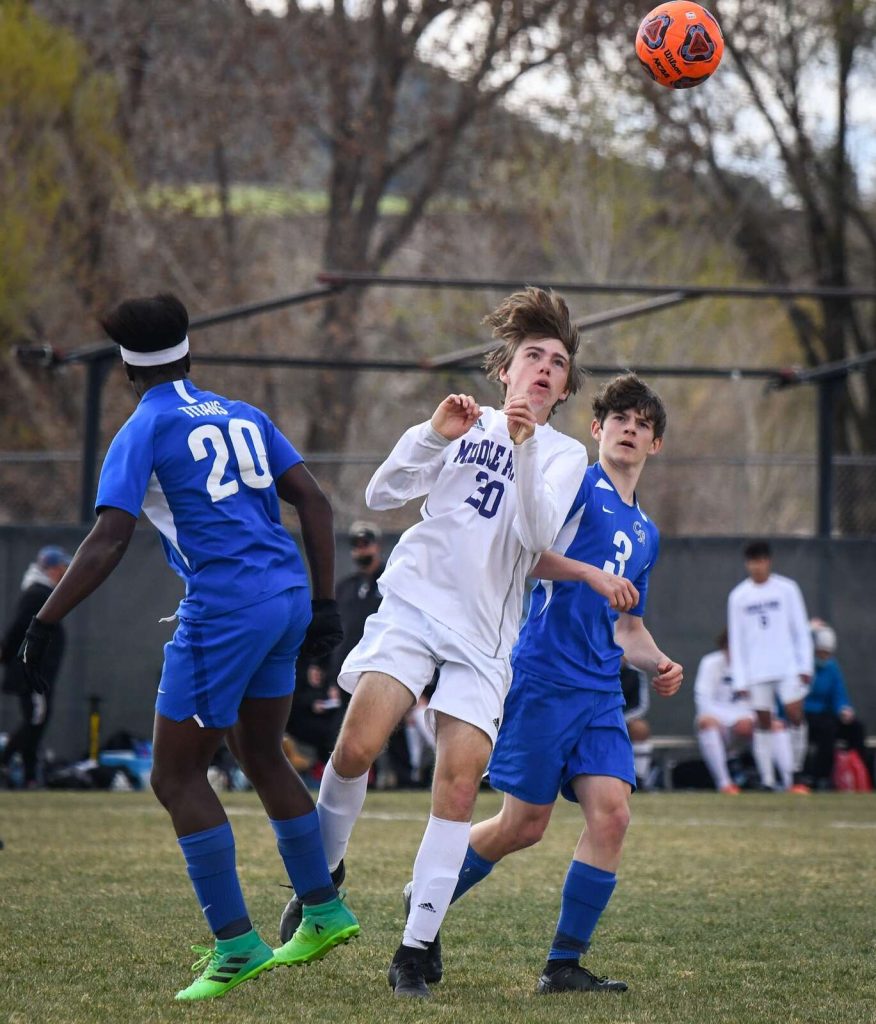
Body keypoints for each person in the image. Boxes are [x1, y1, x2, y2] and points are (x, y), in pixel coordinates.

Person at [15, 293, 358, 1001]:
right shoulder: (245, 414)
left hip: (225, 611)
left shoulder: (143, 427)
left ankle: (236, 944)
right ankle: (322, 909)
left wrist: (42, 621)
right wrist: (325, 604)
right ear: (189, 353)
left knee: (174, 778)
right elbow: (316, 504)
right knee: (259, 752)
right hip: (286, 597)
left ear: (127, 371)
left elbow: (108, 539)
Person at [279, 286, 589, 998]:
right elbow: (384, 496)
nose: (544, 367)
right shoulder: (465, 422)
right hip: (415, 606)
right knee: (356, 745)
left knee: (456, 781)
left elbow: (538, 535)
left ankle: (417, 944)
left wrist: (524, 446)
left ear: (565, 387)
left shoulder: (566, 454)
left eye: (558, 362)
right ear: (505, 368)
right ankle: (321, 883)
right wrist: (431, 433)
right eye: (532, 355)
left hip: (484, 635)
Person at [432, 373, 683, 996]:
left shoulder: (646, 533)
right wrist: (591, 574)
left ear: (654, 445)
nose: (629, 429)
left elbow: (627, 627)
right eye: (618, 419)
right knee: (523, 825)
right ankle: (428, 892)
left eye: (642, 424)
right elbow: (524, 552)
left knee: (613, 815)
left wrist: (657, 662)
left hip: (599, 689)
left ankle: (563, 965)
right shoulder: (574, 483)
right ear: (596, 429)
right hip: (543, 674)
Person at [727, 541, 813, 792]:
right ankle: (767, 779)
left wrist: (804, 665)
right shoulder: (739, 596)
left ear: (768, 561)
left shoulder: (787, 589)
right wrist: (740, 679)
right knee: (763, 721)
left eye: (760, 560)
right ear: (747, 564)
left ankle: (797, 772)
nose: (756, 566)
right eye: (752, 561)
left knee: (795, 714)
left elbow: (800, 629)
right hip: (756, 670)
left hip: (787, 666)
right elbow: (737, 638)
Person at [0, 546, 71, 788]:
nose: (65, 572)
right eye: (63, 568)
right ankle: (6, 762)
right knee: (35, 720)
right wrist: (7, 653)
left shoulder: (43, 593)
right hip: (30, 673)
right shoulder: (37, 594)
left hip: (38, 674)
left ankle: (30, 777)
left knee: (36, 721)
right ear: (50, 569)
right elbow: (20, 628)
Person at [693, 629, 795, 792]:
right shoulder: (710, 663)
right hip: (723, 729)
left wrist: (750, 719)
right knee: (705, 722)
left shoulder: (759, 666)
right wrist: (733, 721)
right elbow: (703, 701)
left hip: (753, 728)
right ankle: (725, 784)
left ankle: (790, 783)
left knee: (777, 725)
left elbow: (768, 704)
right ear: (724, 646)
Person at [803, 623, 870, 790]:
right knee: (828, 729)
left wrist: (844, 709)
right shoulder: (803, 666)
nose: (824, 657)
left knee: (856, 727)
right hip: (807, 716)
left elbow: (839, 694)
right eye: (821, 653)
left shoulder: (832, 667)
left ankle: (860, 775)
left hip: (827, 715)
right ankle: (821, 777)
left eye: (827, 654)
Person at [619, 658, 653, 790]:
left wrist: (620, 719)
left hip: (624, 719)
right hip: (595, 718)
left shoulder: (636, 674)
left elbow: (641, 706)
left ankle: (639, 778)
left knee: (640, 728)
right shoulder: (594, 670)